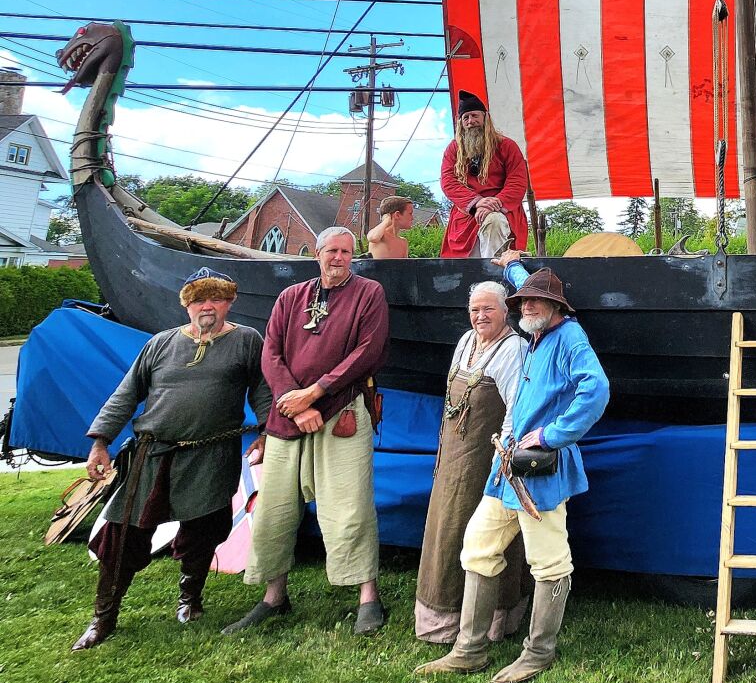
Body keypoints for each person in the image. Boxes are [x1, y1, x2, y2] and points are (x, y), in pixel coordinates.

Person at [416, 267, 608, 683]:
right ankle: (469, 650)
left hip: (539, 472)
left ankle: (539, 652)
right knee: (479, 548)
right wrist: (511, 265)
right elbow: (528, 284)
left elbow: (596, 389)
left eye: (535, 301)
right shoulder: (538, 336)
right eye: (522, 300)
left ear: (557, 307)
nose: (526, 306)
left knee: (549, 561)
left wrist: (554, 434)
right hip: (507, 470)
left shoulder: (570, 338)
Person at [74, 268, 270, 650]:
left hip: (211, 454)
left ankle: (189, 598)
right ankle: (103, 617)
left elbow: (263, 390)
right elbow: (126, 393)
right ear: (187, 306)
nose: (207, 306)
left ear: (229, 302)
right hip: (153, 453)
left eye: (215, 298)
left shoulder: (247, 341)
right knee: (124, 533)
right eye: (198, 299)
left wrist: (265, 434)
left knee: (204, 531)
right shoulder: (161, 343)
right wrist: (100, 441)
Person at [225, 227, 390, 636]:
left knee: (350, 507)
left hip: (342, 413)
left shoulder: (369, 293)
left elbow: (368, 350)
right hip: (289, 418)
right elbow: (271, 352)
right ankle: (273, 596)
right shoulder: (290, 297)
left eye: (347, 251)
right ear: (317, 254)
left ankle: (368, 596)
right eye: (332, 250)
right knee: (274, 511)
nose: (339, 257)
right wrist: (294, 403)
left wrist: (317, 392)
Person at [414, 280, 531, 644]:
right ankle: (439, 620)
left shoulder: (514, 350)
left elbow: (517, 409)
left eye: (488, 309)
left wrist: (504, 461)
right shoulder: (466, 341)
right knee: (445, 529)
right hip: (452, 455)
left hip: (486, 459)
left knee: (482, 536)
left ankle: (493, 620)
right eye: (475, 309)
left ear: (505, 311)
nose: (480, 316)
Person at [441, 90, 530, 259]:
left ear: (485, 118)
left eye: (474, 116)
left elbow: (517, 181)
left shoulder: (507, 146)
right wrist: (478, 203)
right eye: (465, 118)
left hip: (502, 210)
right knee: (467, 270)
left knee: (494, 221)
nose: (470, 121)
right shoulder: (454, 149)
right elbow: (448, 181)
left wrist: (495, 203)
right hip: (467, 215)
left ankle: (493, 279)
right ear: (460, 123)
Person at [368, 195, 415, 260]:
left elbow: (405, 267)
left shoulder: (403, 242)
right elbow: (373, 238)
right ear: (397, 215)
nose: (412, 218)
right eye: (410, 213)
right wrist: (386, 220)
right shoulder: (380, 236)